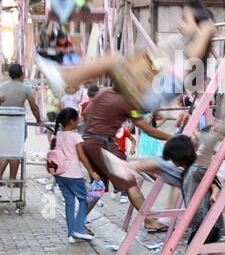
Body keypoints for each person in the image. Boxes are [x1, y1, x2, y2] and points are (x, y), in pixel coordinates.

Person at [34, 2, 216, 116]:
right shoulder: (185, 49)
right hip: (144, 93)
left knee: (112, 60)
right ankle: (67, 78)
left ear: (200, 26)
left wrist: (207, 29)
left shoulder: (195, 52)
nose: (179, 23)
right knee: (108, 67)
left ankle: (65, 79)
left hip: (145, 97)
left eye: (184, 19)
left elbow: (194, 52)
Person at [78, 84, 171, 230]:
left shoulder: (104, 92)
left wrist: (98, 126)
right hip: (103, 143)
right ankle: (149, 220)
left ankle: (78, 221)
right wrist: (171, 138)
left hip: (90, 141)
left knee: (99, 185)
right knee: (129, 182)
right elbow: (146, 128)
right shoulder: (129, 103)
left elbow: (86, 113)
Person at [46, 108, 93, 242]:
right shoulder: (76, 137)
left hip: (60, 175)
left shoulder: (58, 135)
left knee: (69, 203)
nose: (78, 121)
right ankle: (78, 229)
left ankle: (70, 234)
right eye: (77, 119)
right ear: (72, 121)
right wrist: (91, 171)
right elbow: (82, 156)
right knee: (84, 200)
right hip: (73, 175)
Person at [0, 63, 44, 199]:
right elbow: (34, 106)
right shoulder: (25, 89)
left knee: (3, 152)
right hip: (18, 125)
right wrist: (39, 120)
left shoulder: (1, 87)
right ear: (21, 74)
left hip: (2, 124)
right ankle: (13, 180)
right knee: (16, 151)